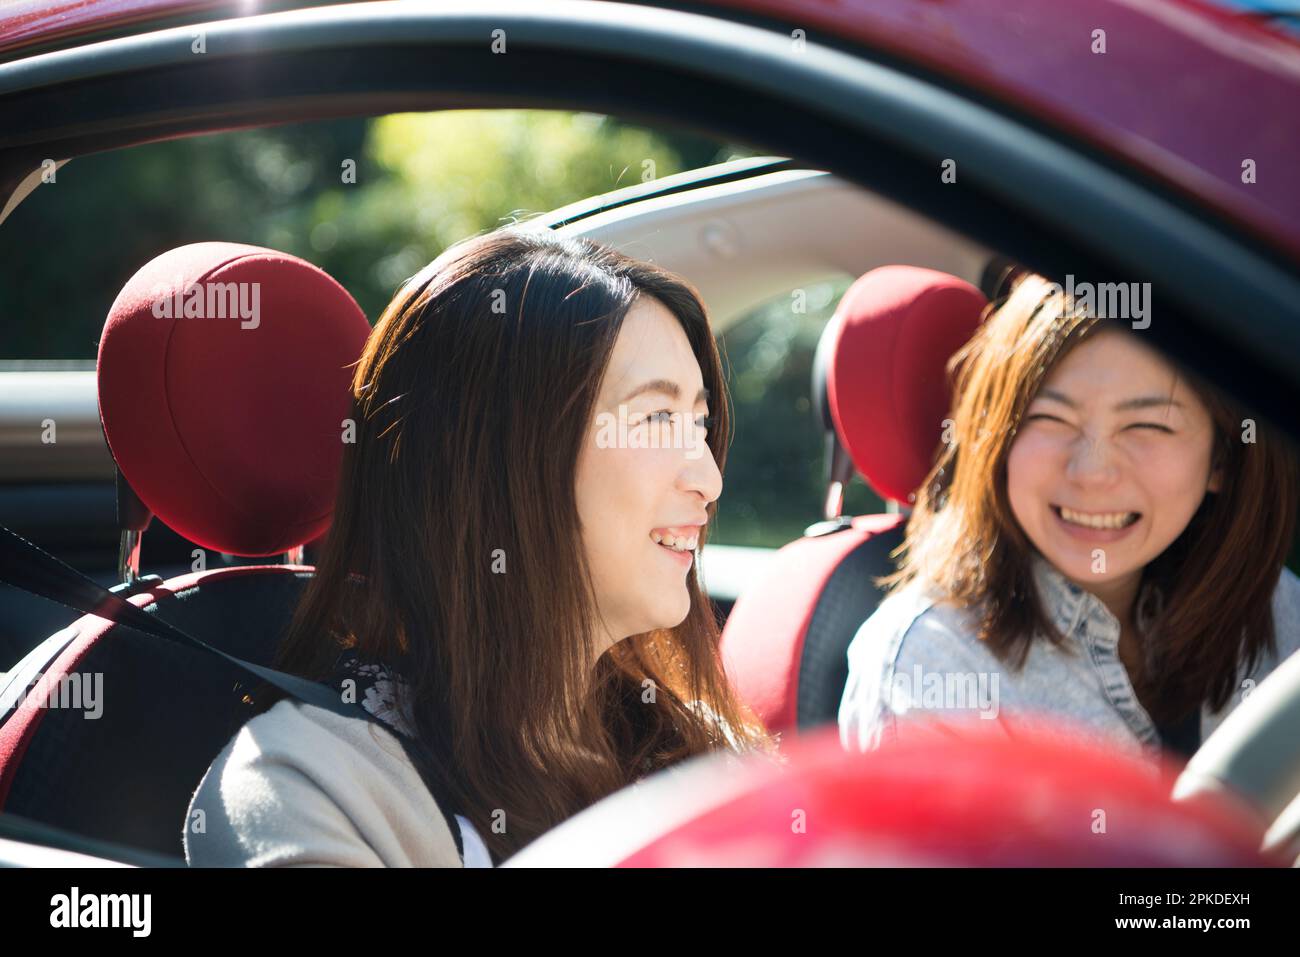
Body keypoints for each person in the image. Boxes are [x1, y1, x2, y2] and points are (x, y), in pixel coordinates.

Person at [183, 229, 775, 867]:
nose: (709, 480)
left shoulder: (699, 748)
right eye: (656, 420)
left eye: (700, 424)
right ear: (496, 464)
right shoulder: (304, 786)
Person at [839, 272, 1300, 764]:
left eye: (1147, 425)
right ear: (997, 441)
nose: (1092, 472)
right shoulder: (934, 662)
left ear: (1222, 461)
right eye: (1050, 419)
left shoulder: (1275, 607)